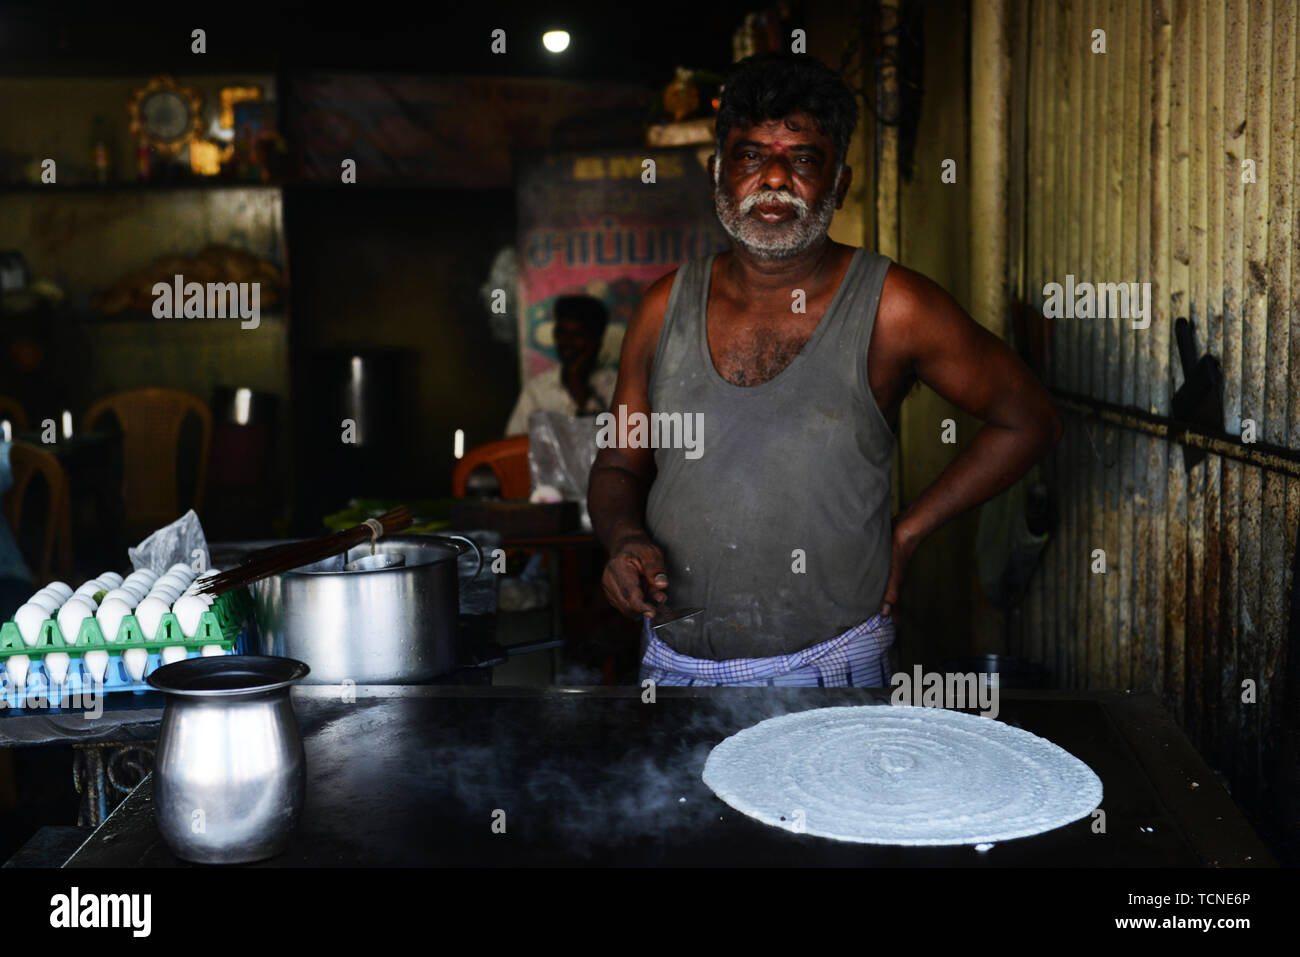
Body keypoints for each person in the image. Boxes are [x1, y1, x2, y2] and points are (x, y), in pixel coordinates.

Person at [588, 53, 1062, 687]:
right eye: (752, 156)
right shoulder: (661, 307)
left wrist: (908, 533)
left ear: (838, 184)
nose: (775, 178)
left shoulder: (895, 307)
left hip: (832, 665)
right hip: (677, 667)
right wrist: (622, 538)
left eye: (804, 159)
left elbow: (1028, 419)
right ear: (718, 176)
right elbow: (620, 464)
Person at [505, 295, 617, 436]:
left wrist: (577, 385)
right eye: (561, 333)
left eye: (577, 335)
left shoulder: (615, 386)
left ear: (596, 341)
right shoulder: (538, 389)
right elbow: (513, 444)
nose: (566, 342)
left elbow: (613, 443)